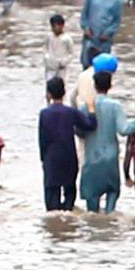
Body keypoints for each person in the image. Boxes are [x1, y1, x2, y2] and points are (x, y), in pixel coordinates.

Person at [78, 67, 135, 211]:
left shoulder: (85, 108)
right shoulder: (115, 107)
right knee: (112, 194)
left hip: (92, 159)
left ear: (94, 86)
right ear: (110, 86)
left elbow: (79, 132)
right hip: (110, 159)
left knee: (92, 205)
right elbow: (124, 130)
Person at [36, 75, 96, 211]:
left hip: (51, 159)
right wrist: (91, 109)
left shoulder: (44, 114)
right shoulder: (71, 112)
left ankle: (55, 226)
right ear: (64, 93)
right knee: (69, 191)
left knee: (52, 197)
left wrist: (43, 159)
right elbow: (90, 125)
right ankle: (68, 217)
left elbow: (42, 139)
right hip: (69, 157)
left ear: (49, 94)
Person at [81, 0, 125, 68]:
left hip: (104, 41)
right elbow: (84, 14)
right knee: (86, 66)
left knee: (101, 69)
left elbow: (116, 22)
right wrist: (86, 28)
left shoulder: (117, 1)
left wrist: (107, 33)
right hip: (90, 38)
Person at [44, 11, 80, 89]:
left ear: (61, 26)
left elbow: (71, 53)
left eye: (55, 26)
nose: (53, 28)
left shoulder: (67, 39)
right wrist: (47, 59)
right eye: (52, 26)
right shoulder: (49, 37)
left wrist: (64, 62)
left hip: (61, 67)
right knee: (49, 87)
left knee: (61, 87)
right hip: (50, 66)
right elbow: (47, 49)